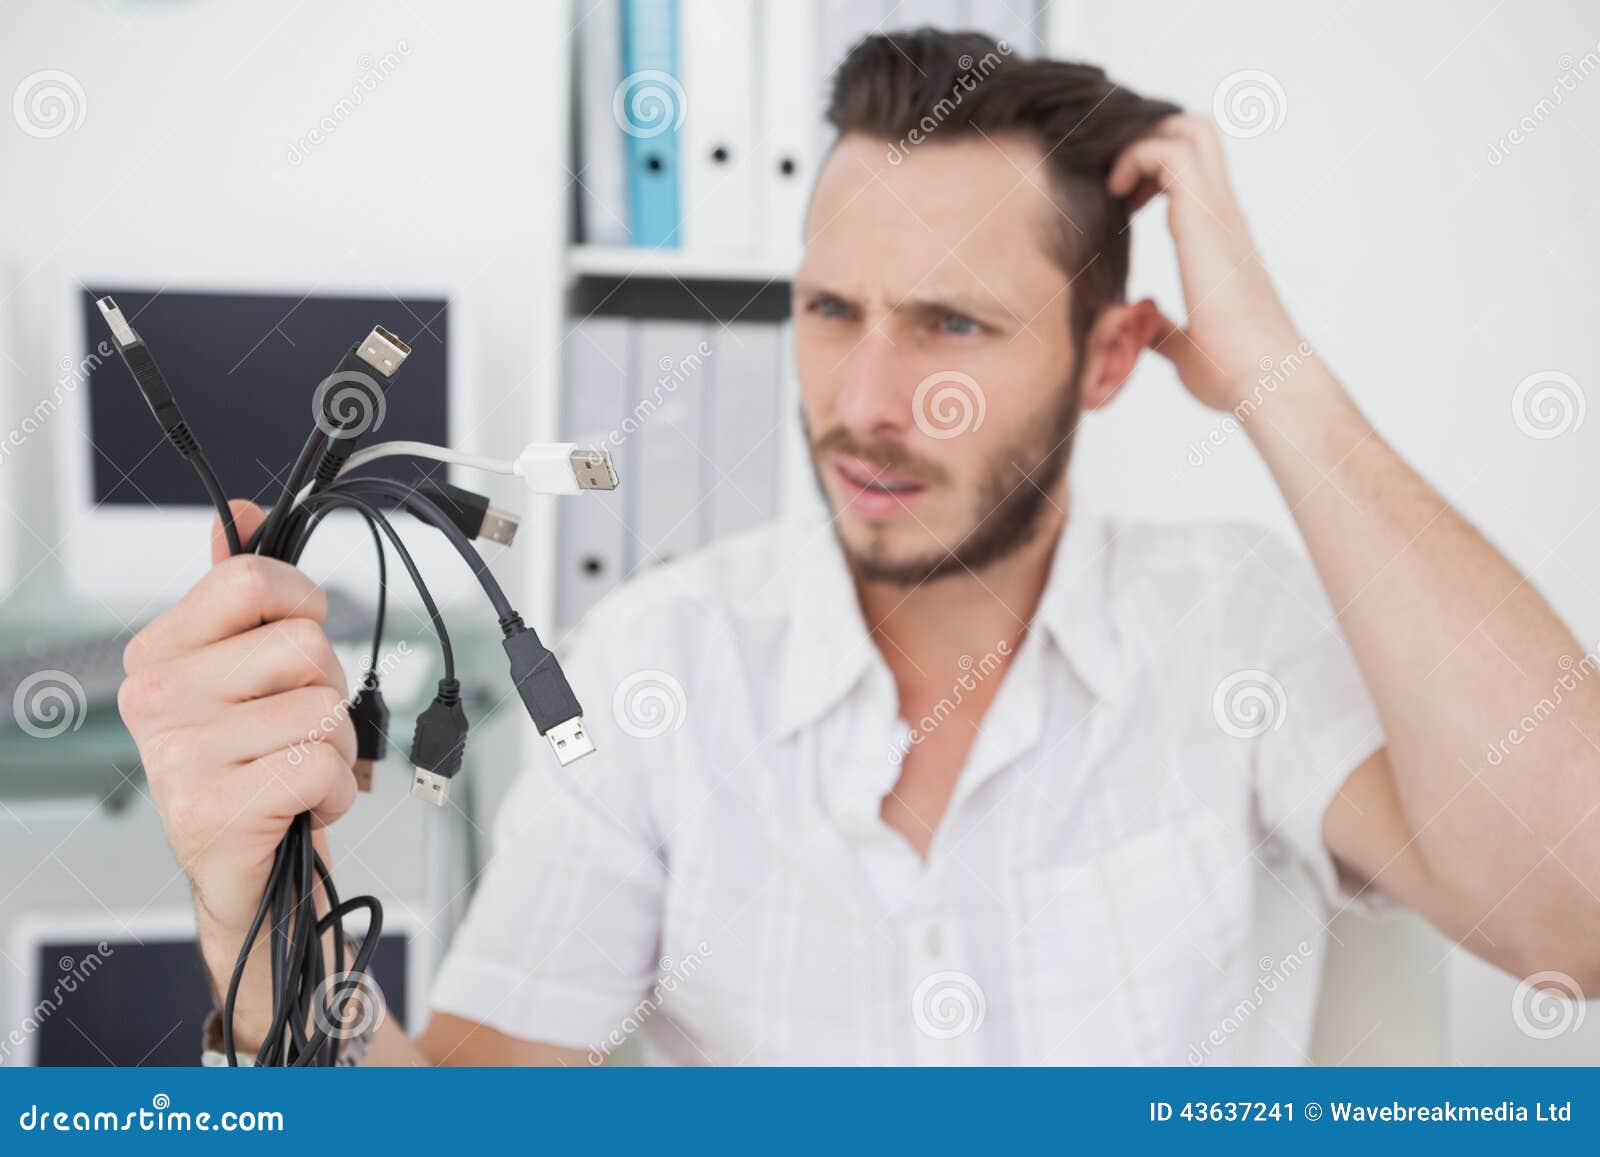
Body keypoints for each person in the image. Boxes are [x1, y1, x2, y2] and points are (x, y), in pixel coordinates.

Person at [119, 30, 1600, 1065]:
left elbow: (1577, 917)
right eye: (832, 312)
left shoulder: (1235, 625)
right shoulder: (657, 667)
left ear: (1108, 356)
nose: (867, 405)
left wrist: (1275, 372)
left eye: (953, 323)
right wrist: (256, 910)